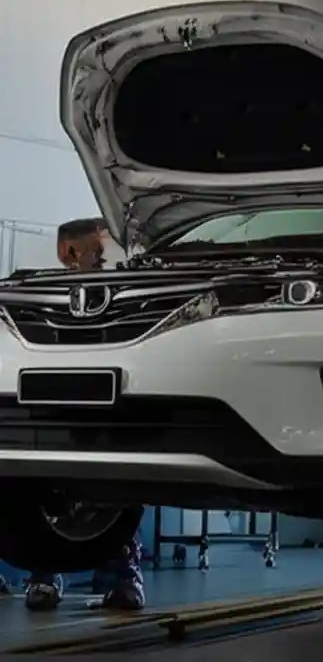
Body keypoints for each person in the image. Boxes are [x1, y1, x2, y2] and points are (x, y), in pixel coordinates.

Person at [23, 218, 145, 613]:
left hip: (113, 409)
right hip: (65, 409)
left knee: (121, 495)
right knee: (49, 495)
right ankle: (47, 575)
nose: (70, 265)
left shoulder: (130, 282)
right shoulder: (61, 293)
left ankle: (123, 577)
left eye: (71, 255)